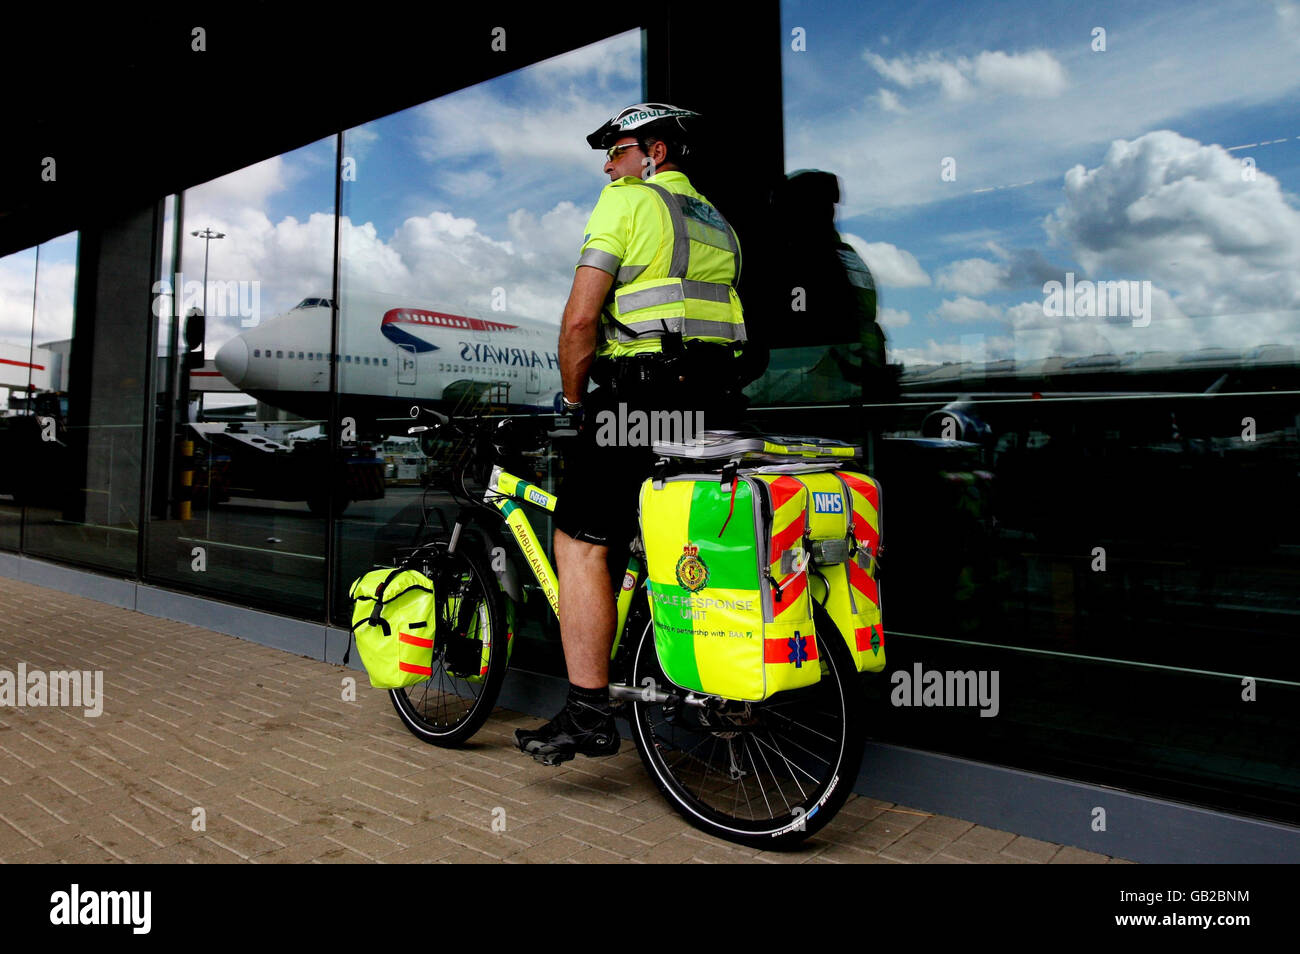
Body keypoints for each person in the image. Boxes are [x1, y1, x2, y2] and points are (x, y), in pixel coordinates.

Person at [515, 103, 748, 765]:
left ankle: (589, 709)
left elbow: (581, 321)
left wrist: (571, 400)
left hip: (642, 401)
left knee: (580, 539)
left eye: (616, 148)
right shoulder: (720, 225)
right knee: (682, 530)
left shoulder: (627, 202)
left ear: (655, 153)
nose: (608, 163)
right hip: (718, 405)